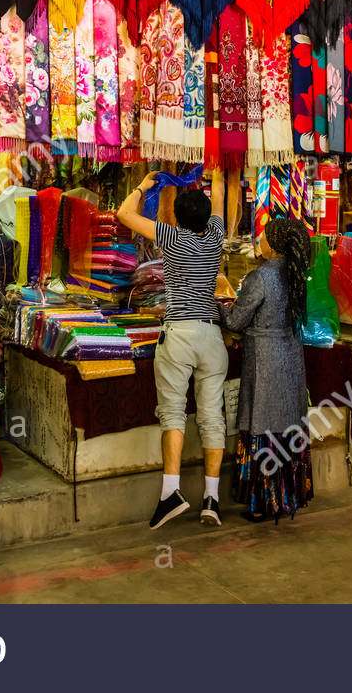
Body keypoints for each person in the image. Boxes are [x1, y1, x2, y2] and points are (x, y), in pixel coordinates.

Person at [117, 167, 228, 529]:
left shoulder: (171, 237)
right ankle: (212, 499)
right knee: (212, 416)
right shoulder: (214, 236)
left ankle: (171, 494)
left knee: (173, 414)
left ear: (176, 218)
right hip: (212, 335)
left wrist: (143, 185)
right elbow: (220, 202)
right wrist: (215, 173)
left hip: (178, 333)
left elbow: (125, 215)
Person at [221, 218, 314, 522]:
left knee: (262, 424)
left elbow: (236, 321)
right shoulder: (296, 273)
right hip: (290, 355)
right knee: (285, 422)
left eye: (262, 236)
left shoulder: (260, 277)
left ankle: (264, 502)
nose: (258, 239)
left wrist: (220, 305)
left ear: (273, 245)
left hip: (264, 359)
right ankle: (289, 497)